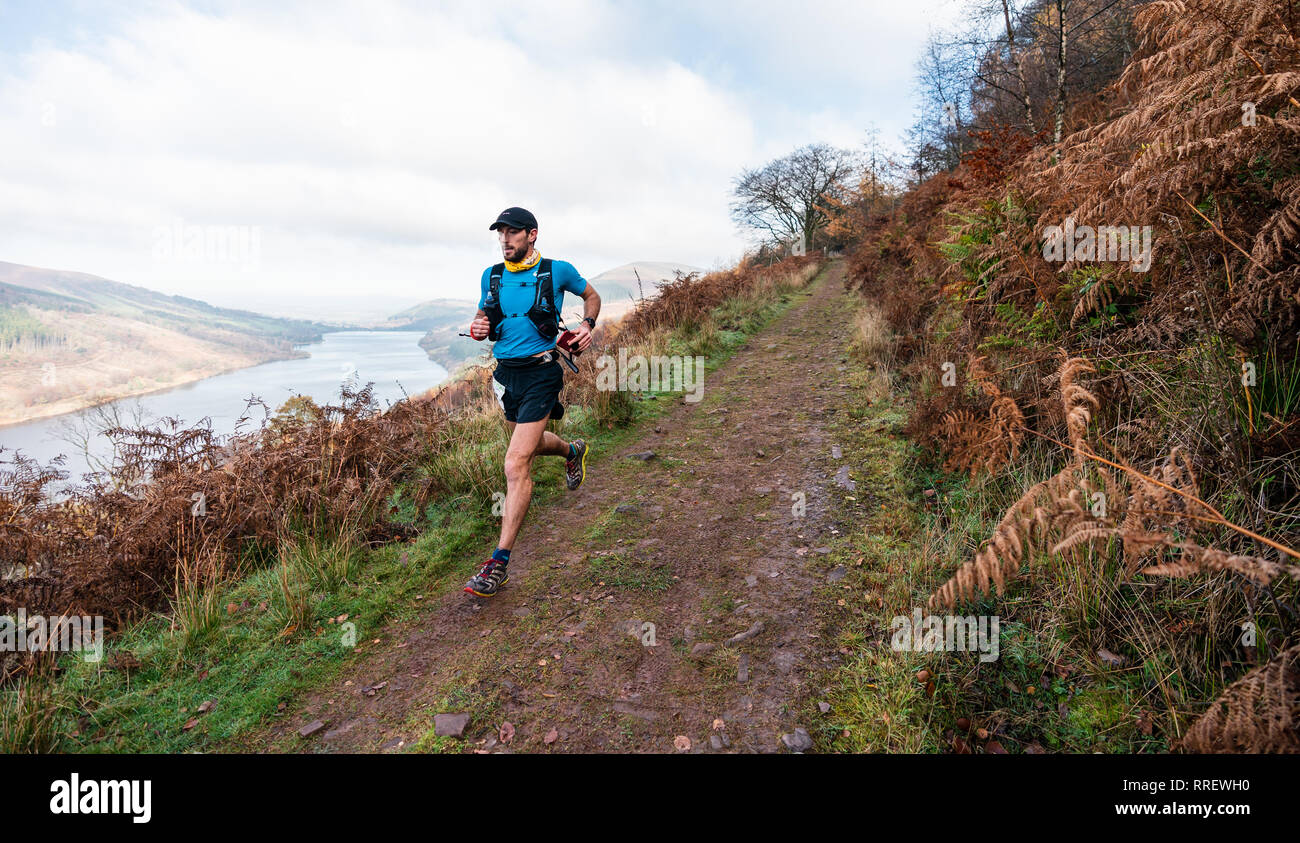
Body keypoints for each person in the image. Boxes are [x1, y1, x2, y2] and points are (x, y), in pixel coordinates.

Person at [463, 206, 601, 597]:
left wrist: (586, 325)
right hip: (506, 377)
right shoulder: (492, 275)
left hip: (542, 372)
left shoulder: (557, 270)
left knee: (515, 461)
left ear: (532, 234)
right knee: (532, 445)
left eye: (512, 233)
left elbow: (591, 295)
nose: (505, 240)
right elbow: (481, 318)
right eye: (501, 234)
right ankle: (573, 450)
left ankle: (497, 564)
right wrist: (478, 328)